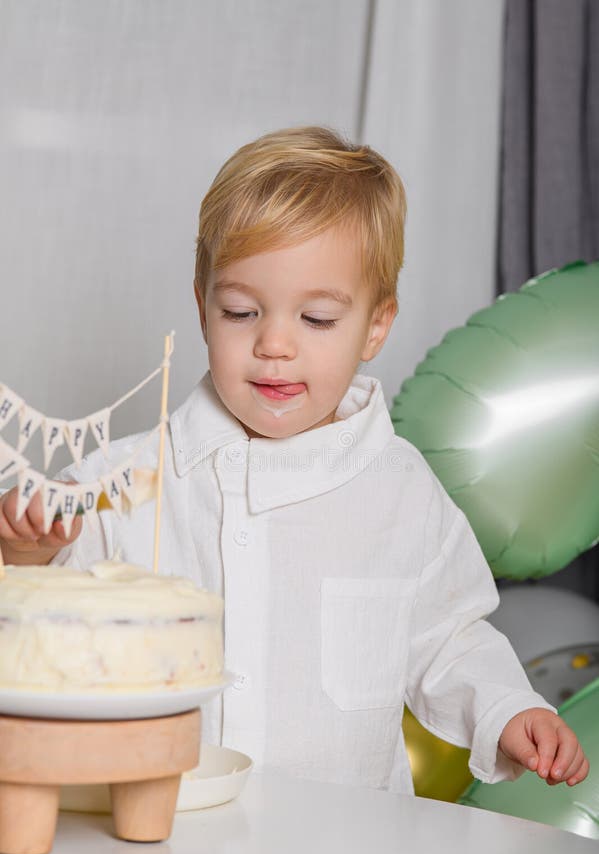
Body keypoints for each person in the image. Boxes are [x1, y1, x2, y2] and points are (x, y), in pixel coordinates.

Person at [0, 126, 589, 794]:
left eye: (316, 320)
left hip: (344, 839)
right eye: (241, 311)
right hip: (168, 823)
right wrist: (25, 549)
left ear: (375, 325)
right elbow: (45, 610)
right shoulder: (128, 479)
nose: (274, 344)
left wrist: (509, 710)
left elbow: (448, 638)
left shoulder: (399, 491)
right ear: (202, 308)